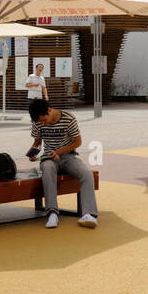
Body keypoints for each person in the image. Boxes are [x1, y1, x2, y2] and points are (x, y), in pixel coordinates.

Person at [26, 98, 98, 229]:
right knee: (47, 169)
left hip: (68, 157)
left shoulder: (68, 118)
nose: (42, 124)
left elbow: (77, 142)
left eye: (43, 120)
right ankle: (52, 213)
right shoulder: (37, 122)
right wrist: (32, 153)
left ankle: (89, 214)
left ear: (49, 110)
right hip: (48, 158)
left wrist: (59, 152)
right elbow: (37, 142)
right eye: (39, 122)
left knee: (86, 174)